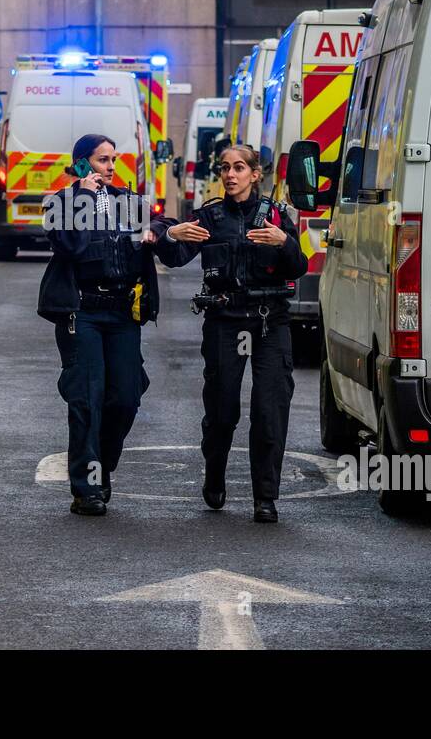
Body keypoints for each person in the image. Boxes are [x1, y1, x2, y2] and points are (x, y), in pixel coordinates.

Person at [152, 144, 307, 523]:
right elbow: (173, 256)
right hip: (225, 319)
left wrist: (284, 242)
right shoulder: (211, 217)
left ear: (256, 174)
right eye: (225, 168)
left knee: (270, 409)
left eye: (239, 168)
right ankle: (215, 475)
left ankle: (265, 498)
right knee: (222, 411)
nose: (230, 174)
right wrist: (170, 233)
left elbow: (299, 266)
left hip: (271, 321)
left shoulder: (275, 216)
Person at [37, 133, 160, 516]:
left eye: (112, 160)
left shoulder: (129, 203)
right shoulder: (59, 203)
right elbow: (70, 246)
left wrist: (165, 232)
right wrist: (85, 196)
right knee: (86, 399)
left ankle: (102, 467)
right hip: (83, 312)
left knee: (125, 397)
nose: (109, 167)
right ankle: (86, 487)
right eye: (101, 160)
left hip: (123, 312)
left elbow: (156, 235)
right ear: (81, 164)